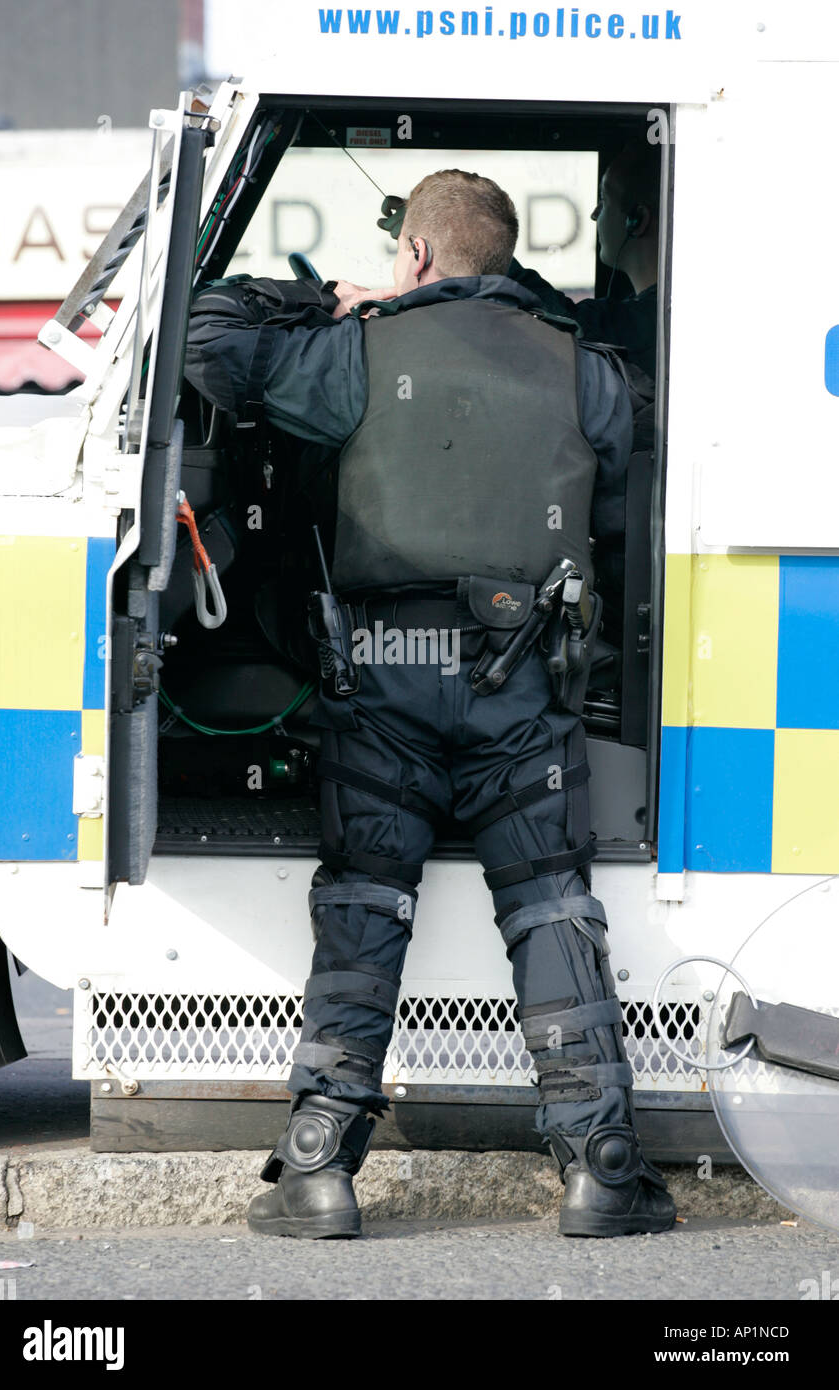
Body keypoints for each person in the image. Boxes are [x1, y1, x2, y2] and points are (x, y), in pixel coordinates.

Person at [182, 168, 676, 1241]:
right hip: (525, 683)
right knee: (548, 901)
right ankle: (597, 1169)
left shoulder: (352, 356)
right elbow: (635, 422)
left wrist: (340, 305)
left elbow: (206, 330)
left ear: (411, 255)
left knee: (365, 899)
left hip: (382, 681)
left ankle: (317, 1164)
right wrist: (515, 299)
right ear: (500, 261)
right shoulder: (582, 370)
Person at [508, 139, 661, 378]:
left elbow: (565, 321)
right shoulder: (644, 312)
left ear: (636, 220)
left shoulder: (645, 323)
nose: (594, 214)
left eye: (604, 200)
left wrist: (490, 251)